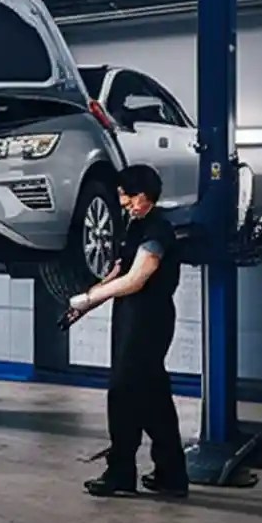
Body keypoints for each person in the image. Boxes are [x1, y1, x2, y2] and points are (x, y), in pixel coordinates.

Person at [65, 165, 188, 498]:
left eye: (129, 199)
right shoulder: (135, 225)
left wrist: (89, 298)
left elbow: (136, 279)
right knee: (153, 395)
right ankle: (172, 474)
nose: (125, 205)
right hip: (129, 315)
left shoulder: (158, 230)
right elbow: (119, 271)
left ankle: (121, 471)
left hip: (149, 319)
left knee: (123, 392)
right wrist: (86, 302)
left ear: (145, 197)